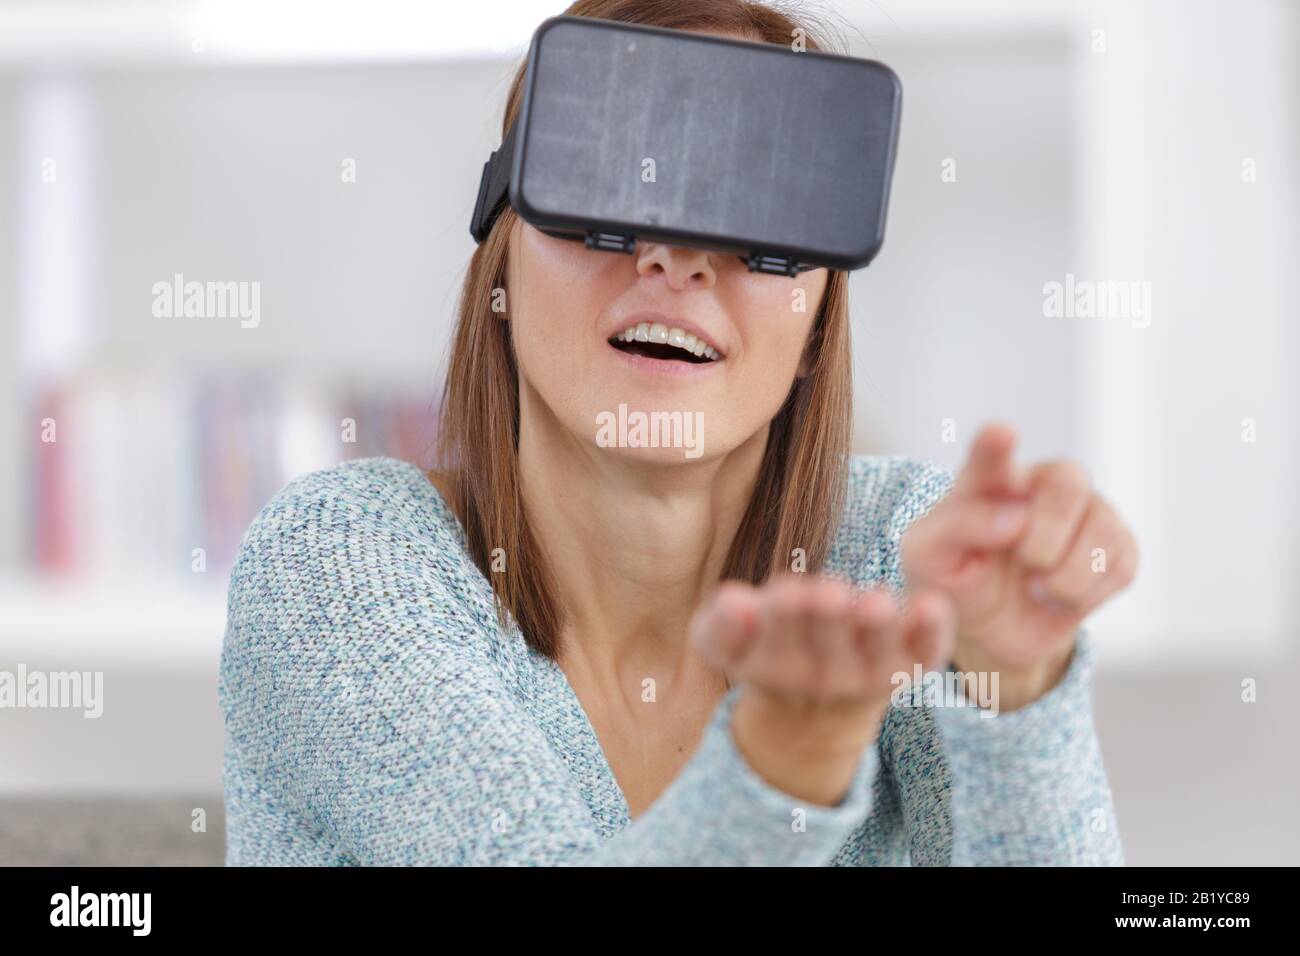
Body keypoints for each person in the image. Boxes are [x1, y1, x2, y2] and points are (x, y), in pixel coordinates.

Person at [219, 0, 1136, 866]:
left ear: (817, 320)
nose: (678, 258)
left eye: (759, 219)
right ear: (501, 247)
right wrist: (780, 771)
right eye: (610, 189)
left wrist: (1014, 691)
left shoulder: (906, 557)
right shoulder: (339, 568)